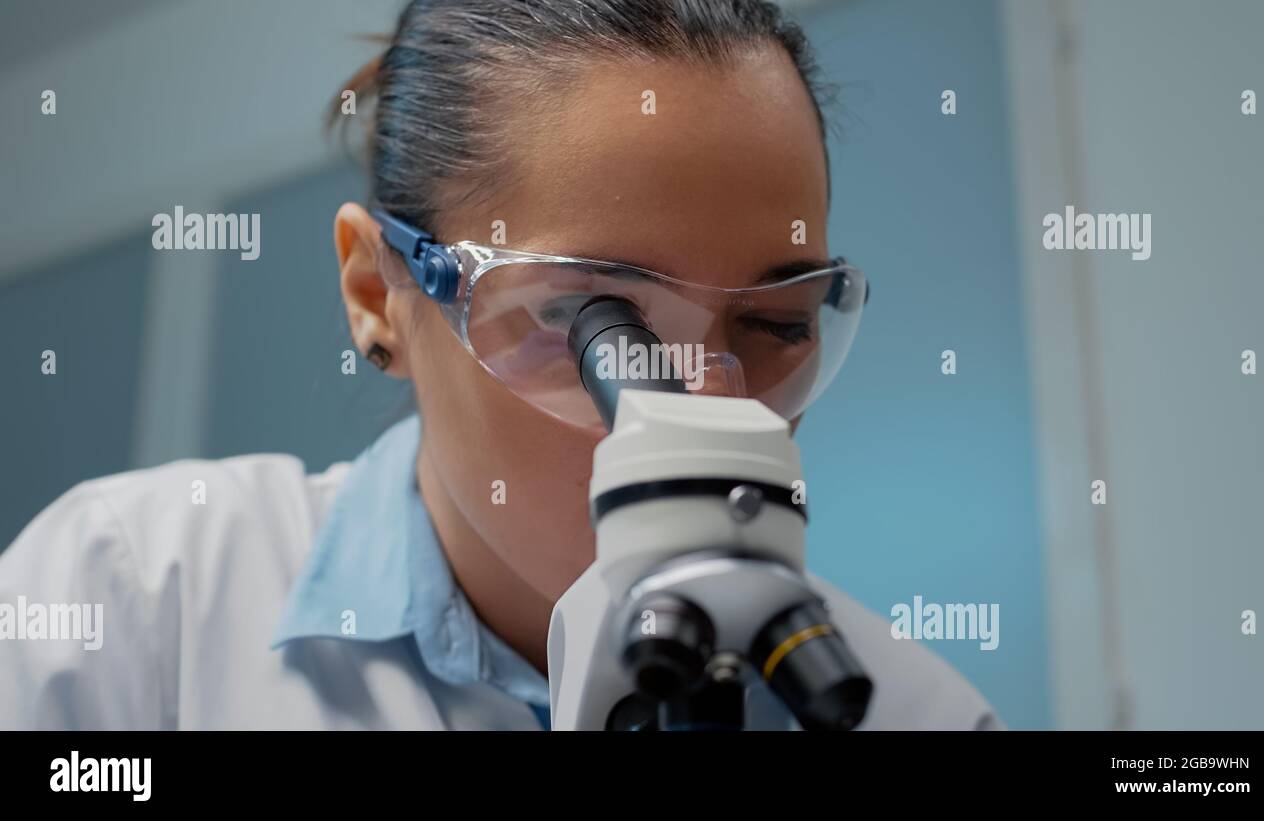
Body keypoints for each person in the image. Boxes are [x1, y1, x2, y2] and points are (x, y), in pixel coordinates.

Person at [0, 0, 1000, 730]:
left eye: (777, 324)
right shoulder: (129, 596)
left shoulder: (912, 710)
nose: (706, 404)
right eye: (590, 318)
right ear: (377, 291)